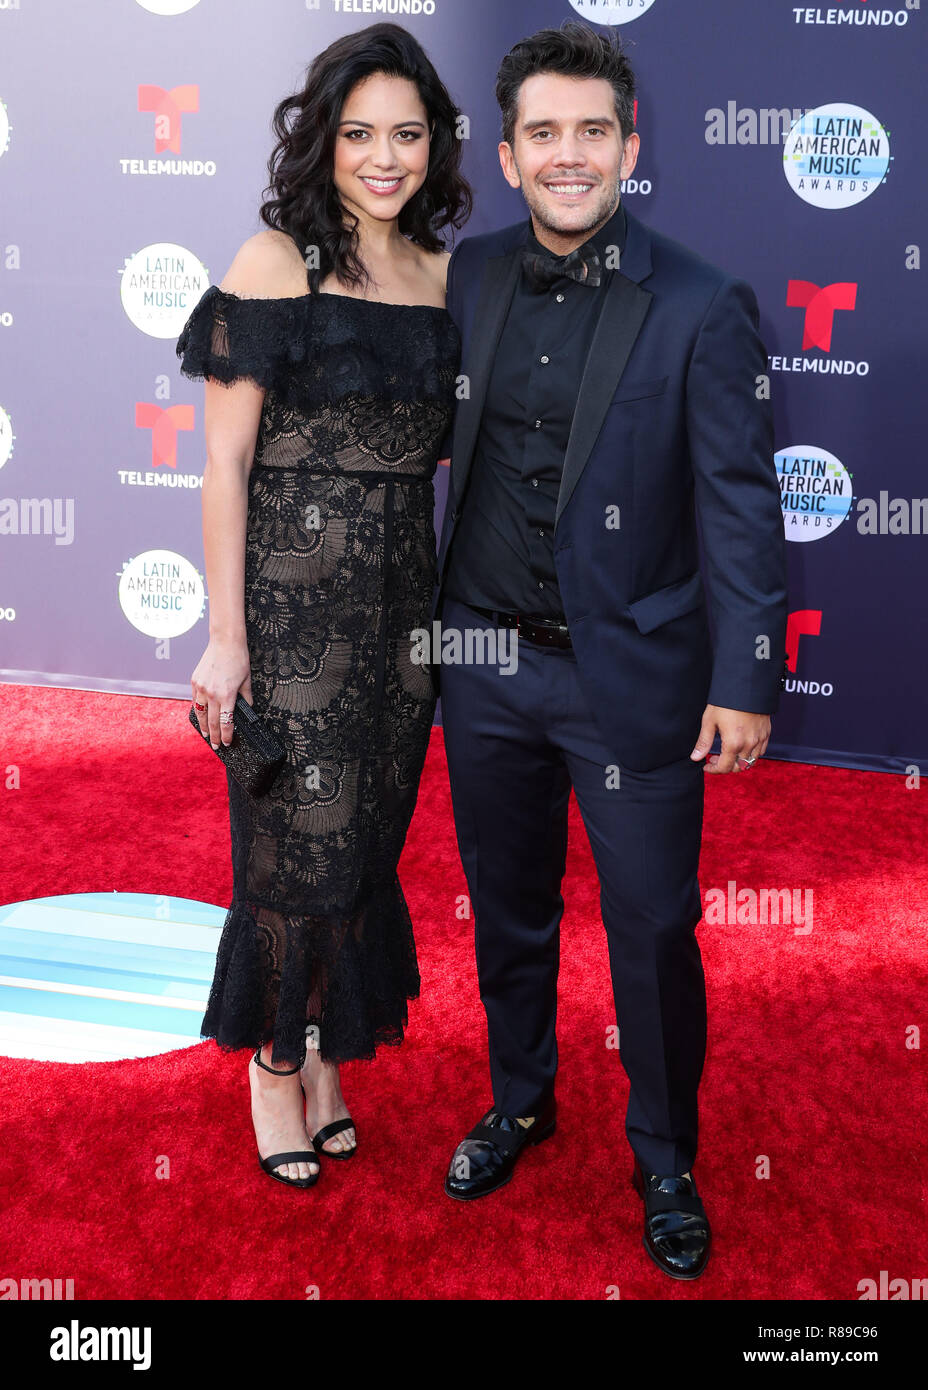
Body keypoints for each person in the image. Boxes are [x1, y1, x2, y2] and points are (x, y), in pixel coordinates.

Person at [432, 21, 788, 1278]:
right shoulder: (466, 275)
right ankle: (521, 1097)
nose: (569, 155)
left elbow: (743, 503)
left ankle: (664, 1154)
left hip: (628, 677)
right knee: (508, 910)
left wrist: (747, 677)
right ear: (511, 151)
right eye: (544, 134)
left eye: (594, 132)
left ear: (631, 145)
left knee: (648, 925)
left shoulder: (700, 301)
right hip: (480, 666)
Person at [177, 23, 468, 1189]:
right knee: (293, 855)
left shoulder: (446, 277)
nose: (384, 157)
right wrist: (226, 637)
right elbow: (225, 466)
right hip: (292, 625)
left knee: (364, 849)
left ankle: (331, 1059)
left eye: (406, 133)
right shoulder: (272, 262)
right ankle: (272, 1069)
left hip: (403, 626)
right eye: (360, 134)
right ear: (324, 142)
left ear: (435, 144)